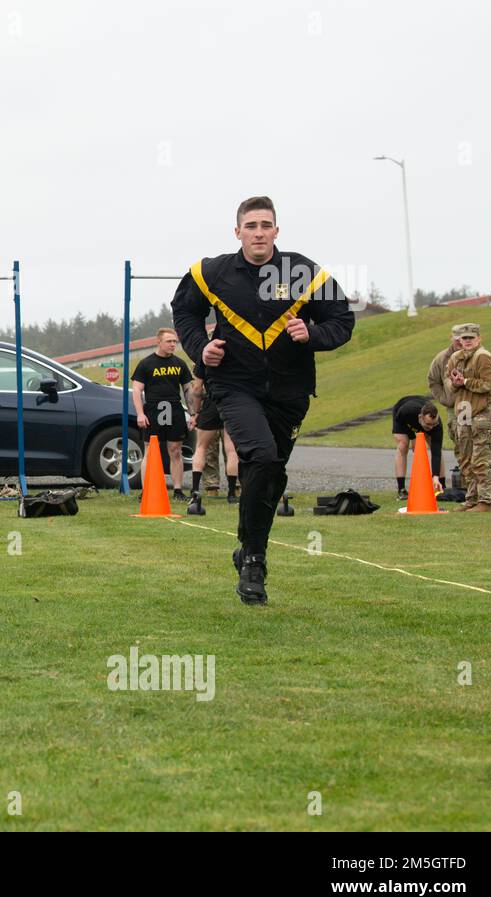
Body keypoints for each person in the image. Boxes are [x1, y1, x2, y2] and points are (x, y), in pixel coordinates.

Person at [172, 195, 354, 604]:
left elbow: (342, 320)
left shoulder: (303, 271)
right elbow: (183, 312)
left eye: (265, 225)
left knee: (270, 474)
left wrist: (314, 335)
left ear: (277, 230)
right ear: (237, 232)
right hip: (234, 386)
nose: (258, 232)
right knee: (260, 456)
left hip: (289, 391)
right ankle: (254, 561)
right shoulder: (210, 272)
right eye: (250, 225)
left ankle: (248, 548)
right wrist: (201, 347)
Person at [428, 324, 491, 490]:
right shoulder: (443, 358)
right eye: (460, 338)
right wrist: (445, 399)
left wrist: (485, 395)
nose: (463, 342)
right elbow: (433, 380)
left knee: (489, 441)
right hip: (456, 407)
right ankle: (470, 487)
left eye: (468, 338)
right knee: (462, 443)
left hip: (479, 404)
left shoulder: (481, 356)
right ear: (453, 338)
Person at [130, 328, 194, 499]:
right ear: (158, 342)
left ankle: (178, 491)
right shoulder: (146, 364)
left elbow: (188, 390)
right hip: (152, 410)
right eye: (169, 341)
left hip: (174, 410)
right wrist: (140, 414)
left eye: (175, 341)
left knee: (175, 450)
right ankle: (146, 491)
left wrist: (194, 413)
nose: (173, 344)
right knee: (150, 451)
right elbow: (136, 390)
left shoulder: (180, 364)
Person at [446, 324, 491, 512]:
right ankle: (472, 499)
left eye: (471, 338)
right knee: (465, 458)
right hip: (463, 412)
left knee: (482, 458)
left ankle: (486, 502)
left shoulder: (483, 357)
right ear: (459, 340)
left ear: (479, 339)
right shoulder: (455, 358)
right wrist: (454, 383)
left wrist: (466, 382)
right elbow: (448, 384)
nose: (468, 341)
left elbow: (490, 384)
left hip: (481, 412)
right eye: (464, 338)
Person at [186, 371, 238, 514]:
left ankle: (195, 491)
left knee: (201, 447)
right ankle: (232, 493)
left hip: (211, 402)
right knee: (232, 450)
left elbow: (197, 389)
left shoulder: (205, 358)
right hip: (231, 403)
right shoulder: (237, 356)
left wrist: (196, 412)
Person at [390, 396, 444, 500]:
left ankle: (441, 485)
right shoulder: (408, 411)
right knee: (403, 445)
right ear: (420, 417)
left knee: (436, 448)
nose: (431, 428)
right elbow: (401, 419)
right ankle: (401, 489)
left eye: (434, 424)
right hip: (401, 415)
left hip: (418, 421)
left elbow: (436, 453)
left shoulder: (436, 426)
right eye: (429, 424)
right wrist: (413, 437)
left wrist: (435, 476)